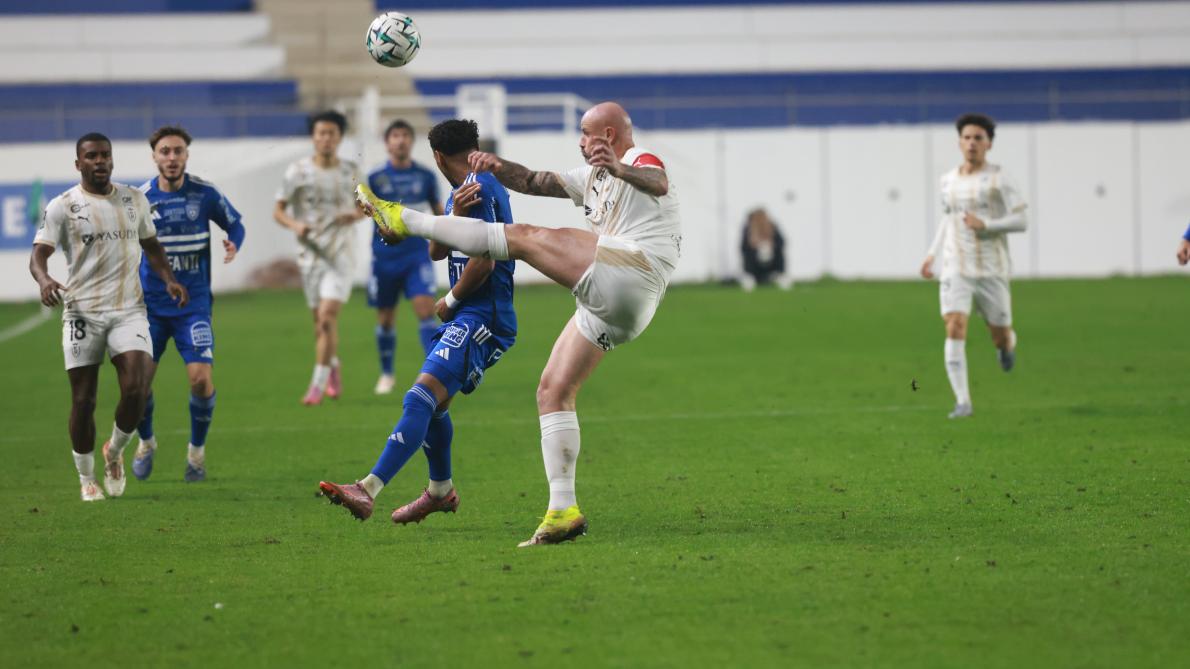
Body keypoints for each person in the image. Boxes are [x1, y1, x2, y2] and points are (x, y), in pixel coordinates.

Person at [356, 101, 680, 546]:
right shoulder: (591, 179)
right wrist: (495, 164)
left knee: (524, 238)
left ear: (608, 134)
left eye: (587, 134)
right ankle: (562, 510)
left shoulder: (637, 161)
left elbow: (658, 182)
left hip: (634, 270)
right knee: (552, 391)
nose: (581, 143)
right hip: (619, 305)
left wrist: (621, 170)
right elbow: (533, 180)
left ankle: (404, 219)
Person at [319, 119, 517, 524]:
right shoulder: (460, 193)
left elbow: (486, 258)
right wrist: (454, 214)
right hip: (472, 313)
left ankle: (368, 488)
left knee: (419, 396)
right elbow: (436, 252)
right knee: (435, 408)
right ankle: (440, 492)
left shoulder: (482, 189)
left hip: (483, 315)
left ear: (438, 157)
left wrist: (451, 298)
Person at [29, 133, 188, 501]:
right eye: (91, 156)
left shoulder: (134, 200)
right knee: (83, 401)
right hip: (82, 312)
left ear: (112, 160)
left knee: (137, 388)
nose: (99, 161)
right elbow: (38, 255)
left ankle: (114, 452)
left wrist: (168, 279)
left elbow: (151, 244)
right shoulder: (63, 206)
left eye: (105, 155)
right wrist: (44, 279)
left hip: (129, 310)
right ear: (78, 163)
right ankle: (86, 477)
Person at [131, 126, 246, 483]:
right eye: (164, 151)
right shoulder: (140, 199)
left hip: (194, 305)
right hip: (149, 306)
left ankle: (196, 453)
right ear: (154, 156)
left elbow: (236, 223)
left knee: (199, 381)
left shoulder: (205, 193)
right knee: (138, 385)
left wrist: (233, 242)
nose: (171, 158)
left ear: (186, 155)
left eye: (177, 151)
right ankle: (147, 441)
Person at [920, 113, 1027, 419]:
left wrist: (987, 224)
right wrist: (931, 254)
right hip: (956, 267)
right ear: (959, 142)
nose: (972, 143)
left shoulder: (1000, 179)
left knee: (1001, 334)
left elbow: (1022, 219)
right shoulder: (948, 181)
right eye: (967, 138)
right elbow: (948, 219)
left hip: (992, 269)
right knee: (954, 324)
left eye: (978, 138)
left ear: (988, 144)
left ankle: (1006, 347)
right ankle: (963, 401)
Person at [273, 111, 364, 405]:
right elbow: (279, 211)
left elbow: (368, 207)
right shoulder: (297, 171)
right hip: (310, 254)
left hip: (341, 254)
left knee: (327, 318)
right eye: (321, 133)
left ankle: (317, 385)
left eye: (332, 133)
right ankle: (332, 366)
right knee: (319, 323)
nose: (326, 138)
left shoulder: (350, 170)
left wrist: (354, 214)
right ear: (313, 136)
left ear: (339, 138)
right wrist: (295, 225)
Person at [366, 119, 444, 394]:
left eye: (405, 135)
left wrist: (452, 233)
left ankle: (432, 373)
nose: (400, 140)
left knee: (425, 310)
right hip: (384, 257)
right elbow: (367, 210)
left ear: (411, 142)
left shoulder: (425, 176)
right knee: (386, 318)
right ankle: (386, 375)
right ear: (387, 143)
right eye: (395, 135)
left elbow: (439, 211)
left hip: (416, 255)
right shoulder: (375, 178)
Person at [739, 207, 792, 291]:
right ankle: (749, 277)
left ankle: (781, 276)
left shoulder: (773, 227)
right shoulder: (748, 229)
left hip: (772, 259)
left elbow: (781, 242)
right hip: (755, 260)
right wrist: (754, 246)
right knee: (748, 255)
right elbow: (743, 247)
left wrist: (771, 246)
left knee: (779, 254)